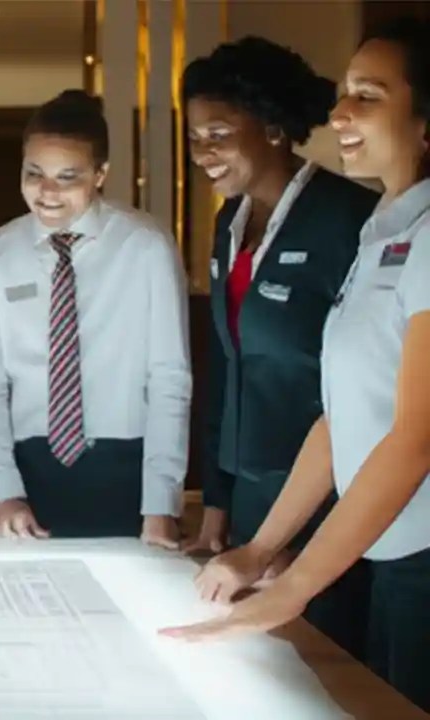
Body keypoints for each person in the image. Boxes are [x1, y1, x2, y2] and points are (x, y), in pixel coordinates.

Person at [161, 20, 430, 712]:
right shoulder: (383, 232)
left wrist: (295, 582)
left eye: (367, 96)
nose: (339, 114)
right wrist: (261, 548)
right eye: (343, 94)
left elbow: (413, 438)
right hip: (384, 549)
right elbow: (343, 416)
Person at [181, 37, 378, 658]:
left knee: (329, 669)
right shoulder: (227, 224)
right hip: (249, 495)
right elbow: (227, 368)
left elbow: (355, 388)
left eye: (217, 133)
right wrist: (217, 502)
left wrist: (281, 539)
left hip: (327, 496)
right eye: (194, 137)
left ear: (271, 126)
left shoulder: (351, 219)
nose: (201, 152)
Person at [0, 90, 191, 544]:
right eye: (34, 174)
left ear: (100, 174)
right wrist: (4, 490)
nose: (47, 192)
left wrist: (161, 503)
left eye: (67, 177)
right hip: (28, 475)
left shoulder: (145, 246)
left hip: (127, 469)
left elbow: (169, 378)